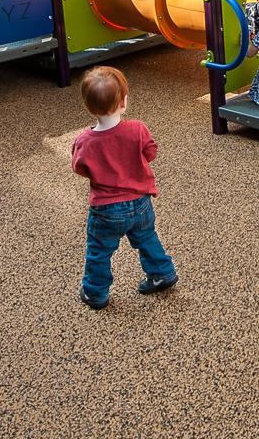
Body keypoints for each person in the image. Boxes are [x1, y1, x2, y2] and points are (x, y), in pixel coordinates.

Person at [69, 66, 179, 309]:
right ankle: (162, 272)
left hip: (106, 210)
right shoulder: (137, 129)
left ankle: (95, 293)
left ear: (87, 106)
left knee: (99, 251)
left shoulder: (84, 141)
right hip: (141, 202)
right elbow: (151, 152)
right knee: (147, 238)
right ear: (124, 102)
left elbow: (79, 168)